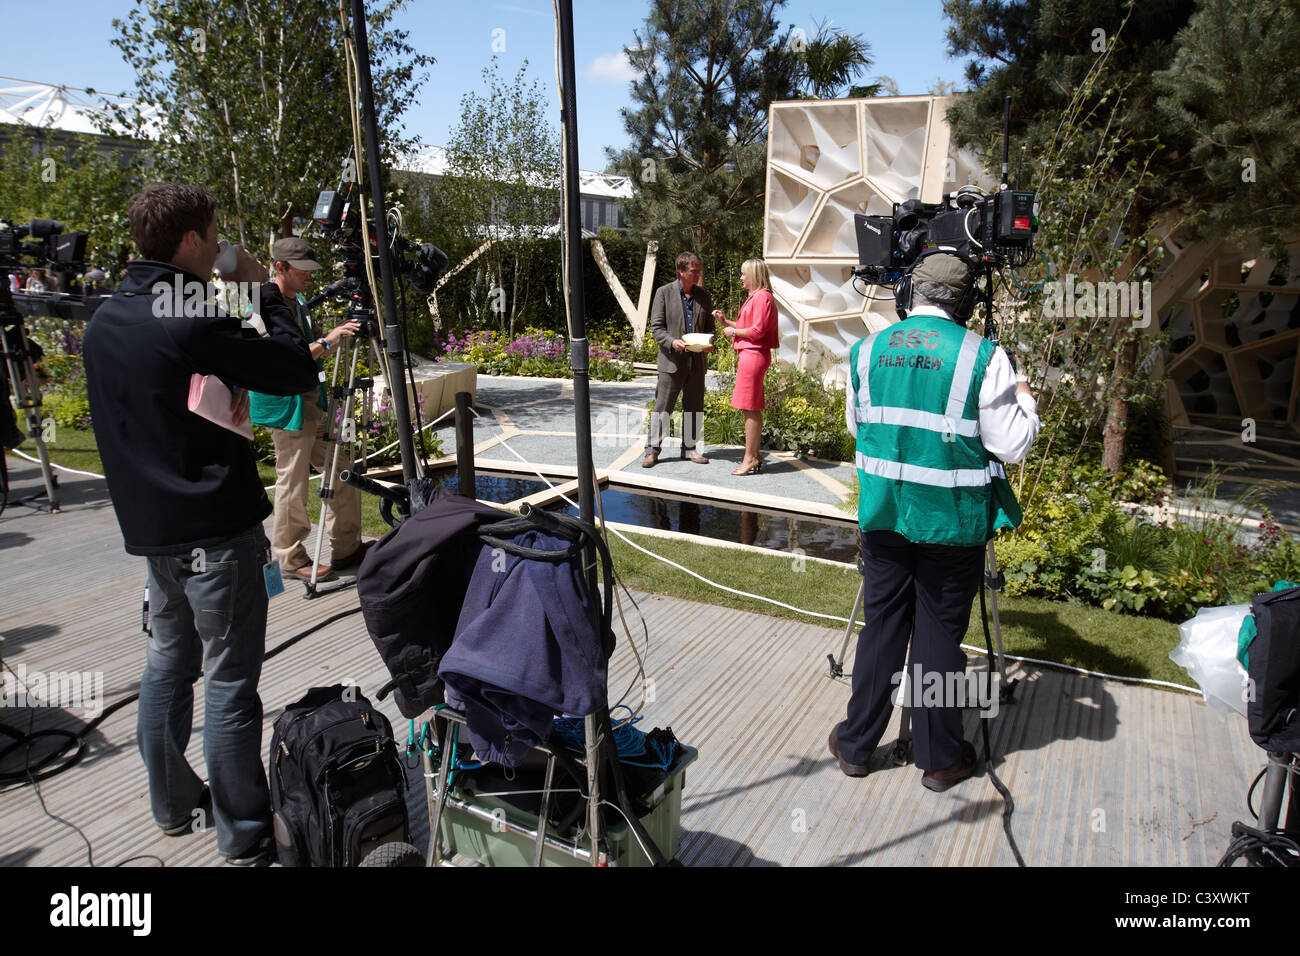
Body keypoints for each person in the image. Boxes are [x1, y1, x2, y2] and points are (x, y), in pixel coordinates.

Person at [82, 183, 319, 865]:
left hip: (155, 536)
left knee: (165, 667)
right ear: (189, 241)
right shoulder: (186, 314)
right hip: (216, 532)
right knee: (228, 684)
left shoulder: (107, 318)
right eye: (214, 237)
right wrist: (264, 294)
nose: (220, 249)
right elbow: (292, 364)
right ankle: (245, 836)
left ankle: (172, 805)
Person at [830, 252, 1041, 792]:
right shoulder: (982, 356)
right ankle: (940, 759)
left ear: (911, 294)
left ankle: (855, 746)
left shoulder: (866, 350)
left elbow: (862, 426)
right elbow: (1011, 445)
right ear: (964, 300)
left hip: (885, 517)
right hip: (951, 522)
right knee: (938, 637)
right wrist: (1027, 403)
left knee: (882, 628)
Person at [249, 237, 366, 583]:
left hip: (310, 400)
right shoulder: (265, 307)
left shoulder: (296, 301)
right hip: (287, 406)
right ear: (280, 267)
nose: (310, 277)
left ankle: (346, 546)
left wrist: (334, 336)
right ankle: (289, 555)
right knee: (293, 481)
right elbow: (285, 357)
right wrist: (329, 340)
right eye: (303, 271)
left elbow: (311, 345)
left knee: (340, 470)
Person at [643, 251, 715, 467]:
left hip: (696, 362)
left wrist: (710, 344)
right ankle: (652, 450)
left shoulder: (704, 296)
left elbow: (710, 329)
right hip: (671, 362)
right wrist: (672, 342)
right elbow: (656, 328)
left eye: (699, 271)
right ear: (681, 271)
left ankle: (690, 449)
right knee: (663, 407)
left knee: (695, 407)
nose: (698, 275)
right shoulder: (663, 293)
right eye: (694, 271)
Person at [714, 257, 779, 475]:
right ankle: (754, 455)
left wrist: (733, 332)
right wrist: (726, 322)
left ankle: (750, 458)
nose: (741, 277)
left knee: (750, 407)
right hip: (750, 354)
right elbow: (748, 327)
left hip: (754, 355)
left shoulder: (762, 298)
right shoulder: (758, 297)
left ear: (753, 276)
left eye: (743, 274)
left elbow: (757, 331)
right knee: (749, 406)